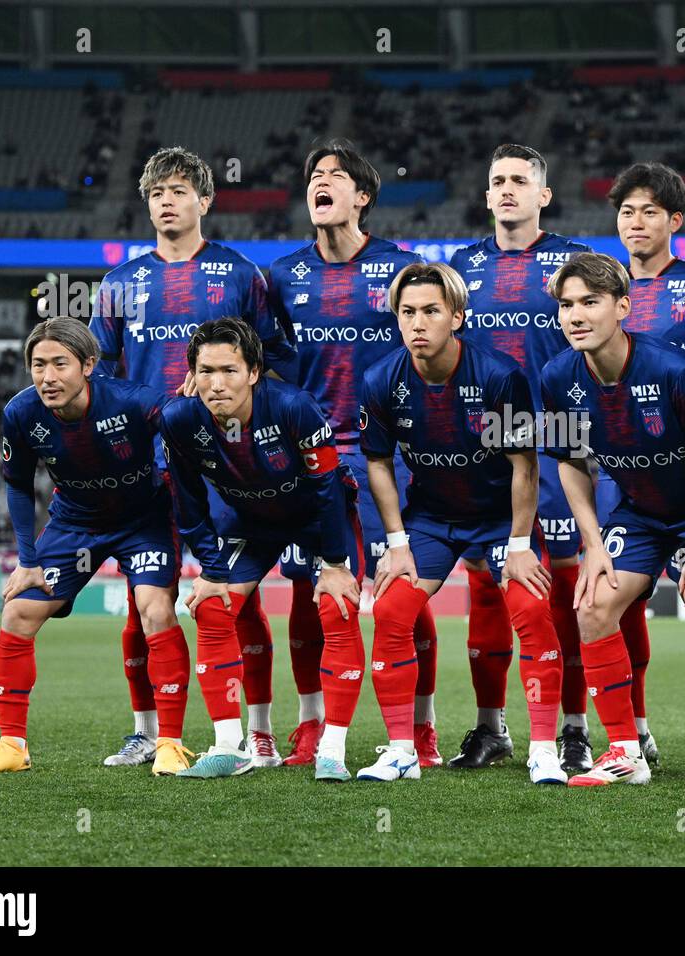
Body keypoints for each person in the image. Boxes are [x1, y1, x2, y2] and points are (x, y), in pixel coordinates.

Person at [89, 145, 298, 769]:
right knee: (142, 596)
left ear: (205, 200)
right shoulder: (119, 283)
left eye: (179, 191)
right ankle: (147, 731)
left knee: (238, 594)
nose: (166, 203)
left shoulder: (239, 274)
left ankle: (254, 731)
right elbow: (98, 372)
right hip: (142, 459)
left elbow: (277, 357)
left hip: (225, 462)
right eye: (156, 194)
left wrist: (221, 391)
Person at [541, 253, 685, 792]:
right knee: (591, 607)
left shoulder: (674, 370)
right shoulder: (557, 375)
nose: (576, 315)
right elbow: (569, 461)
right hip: (638, 513)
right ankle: (624, 752)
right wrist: (592, 544)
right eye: (566, 305)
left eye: (590, 302)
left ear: (623, 307)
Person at [265, 139, 440, 767]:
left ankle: (420, 728)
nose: (322, 182)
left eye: (336, 175)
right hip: (309, 457)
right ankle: (311, 724)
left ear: (362, 196)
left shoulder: (402, 268)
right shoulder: (282, 276)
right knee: (309, 592)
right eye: (314, 175)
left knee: (405, 591)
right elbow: (267, 364)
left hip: (389, 454)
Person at [359, 262, 566, 784]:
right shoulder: (382, 379)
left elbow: (525, 463)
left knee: (531, 607)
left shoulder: (499, 376)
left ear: (457, 315)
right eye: (407, 312)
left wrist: (519, 543)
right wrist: (398, 542)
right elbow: (379, 463)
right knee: (389, 609)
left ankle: (544, 748)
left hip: (499, 520)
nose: (417, 323)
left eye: (430, 311)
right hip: (432, 520)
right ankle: (403, 749)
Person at [0, 319, 192, 776]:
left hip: (143, 520)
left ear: (88, 364)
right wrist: (27, 561)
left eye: (59, 364)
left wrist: (192, 395)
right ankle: (12, 745)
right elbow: (16, 486)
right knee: (18, 612)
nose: (47, 377)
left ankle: (168, 743)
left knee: (156, 611)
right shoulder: (21, 413)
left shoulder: (130, 400)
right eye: (37, 365)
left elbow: (179, 421)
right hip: (75, 523)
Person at [157, 317, 362, 779]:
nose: (216, 384)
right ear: (192, 375)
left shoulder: (295, 407)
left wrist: (332, 563)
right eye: (205, 371)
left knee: (337, 604)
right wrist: (211, 569)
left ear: (253, 372)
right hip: (249, 520)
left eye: (229, 370)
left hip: (316, 517)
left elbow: (328, 488)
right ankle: (233, 744)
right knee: (211, 606)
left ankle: (333, 750)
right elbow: (187, 503)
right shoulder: (179, 419)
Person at [448, 144, 595, 774]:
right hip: (485, 447)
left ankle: (573, 728)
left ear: (544, 195)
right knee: (487, 588)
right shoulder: (462, 266)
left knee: (562, 591)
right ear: (485, 197)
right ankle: (491, 727)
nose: (506, 190)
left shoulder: (572, 263)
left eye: (519, 181)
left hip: (558, 437)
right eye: (497, 181)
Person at [606, 160, 685, 772]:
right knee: (615, 602)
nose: (636, 221)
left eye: (650, 210)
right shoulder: (601, 292)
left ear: (675, 220)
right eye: (627, 211)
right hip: (623, 473)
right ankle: (633, 734)